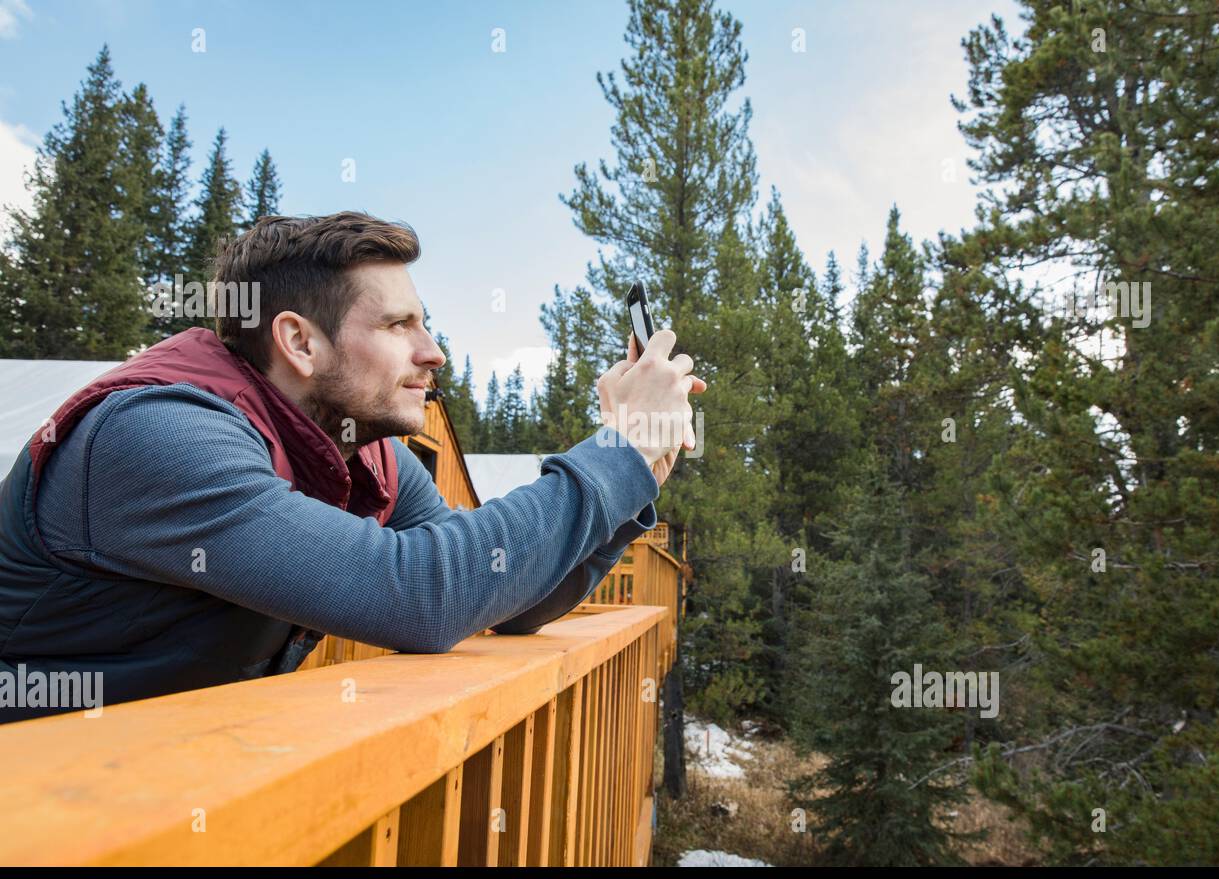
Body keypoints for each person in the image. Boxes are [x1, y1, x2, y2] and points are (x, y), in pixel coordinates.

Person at [0, 211, 704, 724]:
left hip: (158, 783)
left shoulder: (367, 455)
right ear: (299, 343)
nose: (434, 353)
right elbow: (420, 595)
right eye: (400, 326)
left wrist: (637, 473)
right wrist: (618, 451)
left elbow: (501, 599)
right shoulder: (157, 437)